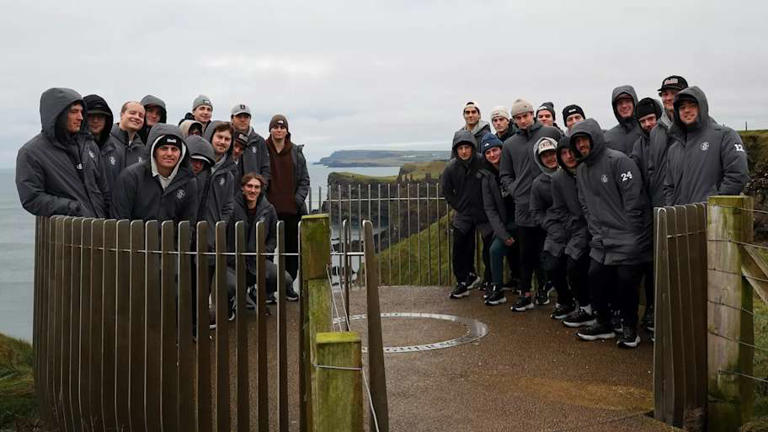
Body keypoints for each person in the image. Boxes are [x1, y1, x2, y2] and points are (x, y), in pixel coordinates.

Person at [569, 118, 651, 348]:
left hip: (627, 237)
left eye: (585, 139)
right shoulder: (582, 169)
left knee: (626, 282)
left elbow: (635, 201)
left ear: (595, 138)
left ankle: (629, 328)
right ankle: (603, 322)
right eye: (577, 142)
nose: (582, 145)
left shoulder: (619, 161)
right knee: (595, 276)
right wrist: (597, 233)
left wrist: (633, 235)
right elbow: (585, 205)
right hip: (601, 239)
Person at [500, 98, 562, 311]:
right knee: (526, 253)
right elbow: (505, 174)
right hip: (524, 206)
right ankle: (525, 293)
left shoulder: (551, 133)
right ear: (514, 120)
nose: (523, 120)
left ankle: (545, 290)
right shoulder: (509, 144)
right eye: (518, 118)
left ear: (532, 114)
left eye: (525, 116)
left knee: (548, 251)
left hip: (550, 204)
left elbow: (564, 158)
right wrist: (515, 189)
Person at [16, 87, 110, 218]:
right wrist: (72, 207)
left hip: (99, 228)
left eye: (81, 112)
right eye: (74, 112)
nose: (81, 117)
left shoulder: (89, 145)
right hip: (66, 233)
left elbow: (104, 190)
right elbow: (31, 198)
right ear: (57, 114)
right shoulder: (31, 152)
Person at [664, 86, 749, 205]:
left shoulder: (725, 136)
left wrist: (715, 207)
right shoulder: (674, 148)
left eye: (692, 105)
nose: (687, 110)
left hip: (714, 219)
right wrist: (673, 210)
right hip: (681, 218)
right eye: (682, 107)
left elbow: (737, 175)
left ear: (702, 107)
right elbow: (669, 186)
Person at [229, 173, 299, 305]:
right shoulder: (231, 207)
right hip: (234, 263)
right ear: (242, 188)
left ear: (261, 189)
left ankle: (255, 293)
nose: (253, 190)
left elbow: (274, 235)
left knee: (285, 279)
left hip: (257, 261)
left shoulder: (268, 209)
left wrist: (266, 251)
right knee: (229, 286)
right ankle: (231, 302)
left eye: (257, 187)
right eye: (249, 186)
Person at [111, 124, 198, 223]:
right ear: (154, 151)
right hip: (135, 237)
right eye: (164, 148)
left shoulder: (188, 182)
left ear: (181, 153)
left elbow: (188, 224)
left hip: (170, 238)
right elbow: (120, 219)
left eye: (174, 149)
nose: (169, 153)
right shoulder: (131, 177)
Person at [530, 136, 574, 319]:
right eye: (544, 155)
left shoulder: (573, 174)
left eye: (552, 153)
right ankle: (565, 299)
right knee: (551, 264)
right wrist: (549, 225)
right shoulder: (538, 184)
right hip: (555, 231)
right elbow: (535, 211)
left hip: (576, 228)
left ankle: (582, 301)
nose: (549, 158)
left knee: (576, 266)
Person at [441, 130, 488, 298]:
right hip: (464, 212)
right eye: (460, 148)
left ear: (472, 148)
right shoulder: (451, 168)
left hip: (483, 211)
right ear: (456, 150)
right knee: (460, 246)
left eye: (467, 147)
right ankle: (463, 280)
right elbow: (446, 191)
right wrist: (457, 205)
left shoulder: (483, 161)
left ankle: (488, 280)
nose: (464, 151)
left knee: (488, 245)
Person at [553, 139, 595, 328]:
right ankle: (585, 307)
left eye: (571, 151)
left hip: (601, 227)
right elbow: (559, 209)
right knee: (573, 265)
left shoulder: (590, 169)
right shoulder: (558, 178)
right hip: (578, 230)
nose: (568, 156)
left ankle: (604, 309)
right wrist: (574, 226)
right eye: (563, 153)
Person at [265, 114, 310, 281]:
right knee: (266, 252)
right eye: (275, 127)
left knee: (291, 253)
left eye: (282, 127)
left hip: (292, 212)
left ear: (287, 131)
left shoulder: (296, 152)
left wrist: (296, 201)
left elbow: (304, 180)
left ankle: (288, 287)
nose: (278, 130)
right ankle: (268, 289)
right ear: (270, 129)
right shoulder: (263, 149)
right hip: (268, 212)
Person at [480, 134, 516, 306]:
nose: (492, 155)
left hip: (522, 220)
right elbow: (490, 209)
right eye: (488, 152)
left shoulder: (514, 167)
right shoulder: (487, 177)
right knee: (495, 250)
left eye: (495, 150)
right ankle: (497, 288)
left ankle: (532, 287)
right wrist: (503, 234)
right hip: (504, 224)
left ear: (502, 150)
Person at [103, 101, 147, 191]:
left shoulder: (143, 150)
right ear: (122, 114)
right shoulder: (105, 140)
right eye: (132, 113)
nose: (136, 117)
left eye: (141, 115)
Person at [230, 103, 271, 187]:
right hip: (230, 192)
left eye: (246, 117)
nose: (243, 120)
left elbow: (266, 168)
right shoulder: (226, 138)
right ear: (232, 118)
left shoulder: (259, 141)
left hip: (253, 192)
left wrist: (261, 189)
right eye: (239, 117)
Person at [604, 85, 642, 155]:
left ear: (634, 103)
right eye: (620, 103)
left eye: (627, 101)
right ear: (615, 108)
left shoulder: (646, 130)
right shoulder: (608, 138)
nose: (624, 106)